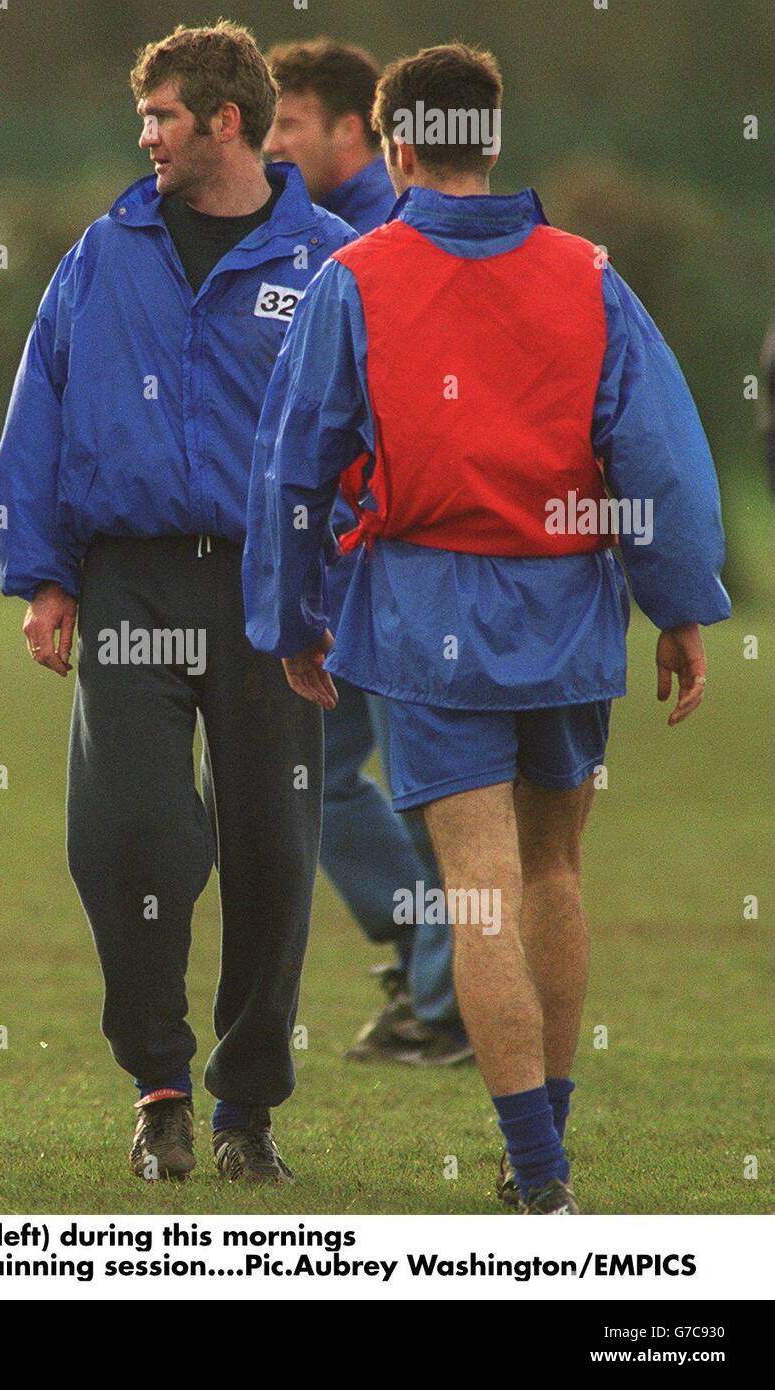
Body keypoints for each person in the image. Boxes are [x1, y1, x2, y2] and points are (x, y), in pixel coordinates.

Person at [243, 43, 730, 1212]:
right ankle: (539, 1157)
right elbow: (657, 456)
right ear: (492, 141)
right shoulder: (590, 274)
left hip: (426, 612)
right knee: (555, 872)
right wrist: (678, 604)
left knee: (478, 889)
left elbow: (292, 468)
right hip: (567, 609)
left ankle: (540, 1171)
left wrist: (288, 615)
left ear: (396, 147)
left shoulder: (353, 280)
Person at [0, 22, 353, 1184]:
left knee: (271, 848)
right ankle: (158, 1086)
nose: (141, 136)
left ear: (225, 122)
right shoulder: (102, 251)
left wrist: (336, 589)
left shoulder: (333, 263)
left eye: (159, 116)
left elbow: (368, 447)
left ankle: (246, 1110)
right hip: (133, 577)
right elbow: (38, 406)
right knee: (130, 836)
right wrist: (45, 575)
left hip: (272, 586)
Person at [265, 37, 468, 1067]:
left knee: (422, 777)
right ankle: (425, 957)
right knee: (323, 773)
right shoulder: (307, 233)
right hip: (351, 557)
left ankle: (442, 999)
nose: (271, 145)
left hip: (391, 556)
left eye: (289, 125)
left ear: (362, 134)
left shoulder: (386, 245)